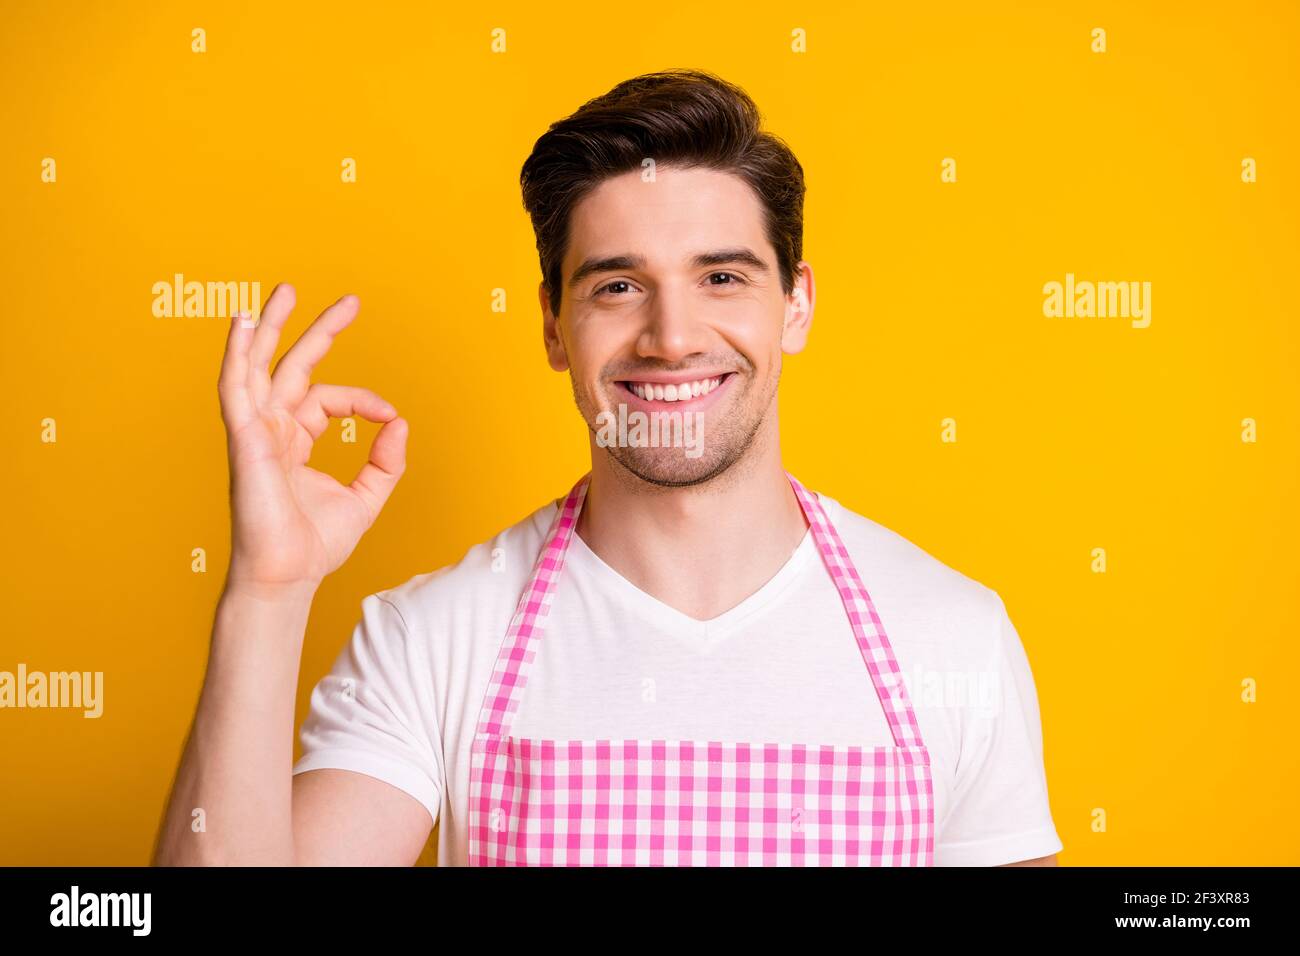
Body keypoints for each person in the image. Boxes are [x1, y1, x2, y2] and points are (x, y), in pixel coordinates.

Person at [154, 69, 1063, 867]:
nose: (671, 338)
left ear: (795, 305)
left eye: (722, 278)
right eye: (618, 286)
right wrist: (266, 593)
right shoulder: (432, 640)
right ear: (554, 323)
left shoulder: (952, 639)